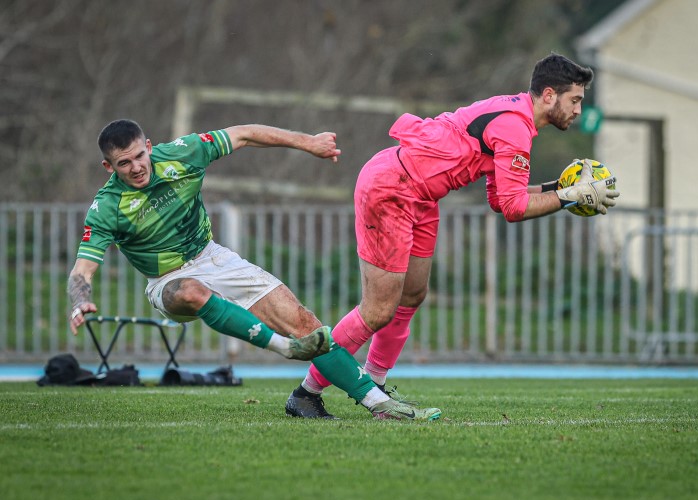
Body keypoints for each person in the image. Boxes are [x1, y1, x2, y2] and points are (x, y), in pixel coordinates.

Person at [285, 52, 619, 418]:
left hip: (421, 194)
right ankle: (306, 393)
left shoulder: (517, 118)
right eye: (575, 100)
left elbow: (499, 198)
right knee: (378, 309)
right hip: (392, 186)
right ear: (550, 95)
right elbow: (513, 208)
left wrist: (558, 189)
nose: (578, 110)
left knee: (412, 294)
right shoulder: (515, 127)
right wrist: (568, 196)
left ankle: (377, 385)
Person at [67, 119, 441, 421]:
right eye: (123, 164)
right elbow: (82, 269)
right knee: (191, 292)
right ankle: (284, 348)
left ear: (148, 146)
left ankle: (379, 405)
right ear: (108, 166)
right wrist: (79, 300)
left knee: (306, 324)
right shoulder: (108, 206)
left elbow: (244, 134)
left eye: (138, 157)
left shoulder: (182, 154)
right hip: (166, 282)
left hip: (214, 258)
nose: (135, 168)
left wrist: (308, 142)